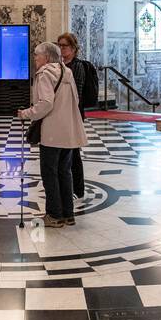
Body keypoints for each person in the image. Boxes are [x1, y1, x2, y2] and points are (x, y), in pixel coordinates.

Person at [18, 41, 88, 228]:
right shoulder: (67, 71)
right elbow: (76, 99)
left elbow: (46, 103)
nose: (34, 58)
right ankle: (68, 214)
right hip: (68, 131)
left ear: (46, 57)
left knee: (50, 173)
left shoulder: (44, 74)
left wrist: (26, 113)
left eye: (36, 55)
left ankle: (54, 215)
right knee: (64, 172)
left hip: (52, 132)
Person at [57, 32, 99, 199]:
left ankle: (77, 189)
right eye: (59, 45)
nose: (61, 48)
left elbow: (78, 94)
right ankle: (66, 186)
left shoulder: (78, 66)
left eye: (64, 45)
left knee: (73, 153)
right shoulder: (59, 64)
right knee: (63, 152)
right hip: (60, 114)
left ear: (73, 48)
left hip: (73, 114)